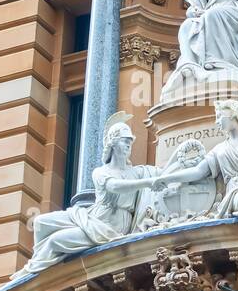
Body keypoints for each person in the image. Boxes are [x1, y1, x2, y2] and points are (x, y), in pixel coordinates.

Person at [14, 112, 159, 278]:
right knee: (39, 222)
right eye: (125, 141)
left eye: (130, 142)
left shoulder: (138, 172)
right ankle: (37, 267)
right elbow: (114, 186)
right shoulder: (101, 172)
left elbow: (164, 173)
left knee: (54, 242)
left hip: (111, 227)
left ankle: (32, 277)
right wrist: (148, 183)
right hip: (92, 216)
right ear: (113, 143)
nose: (128, 145)